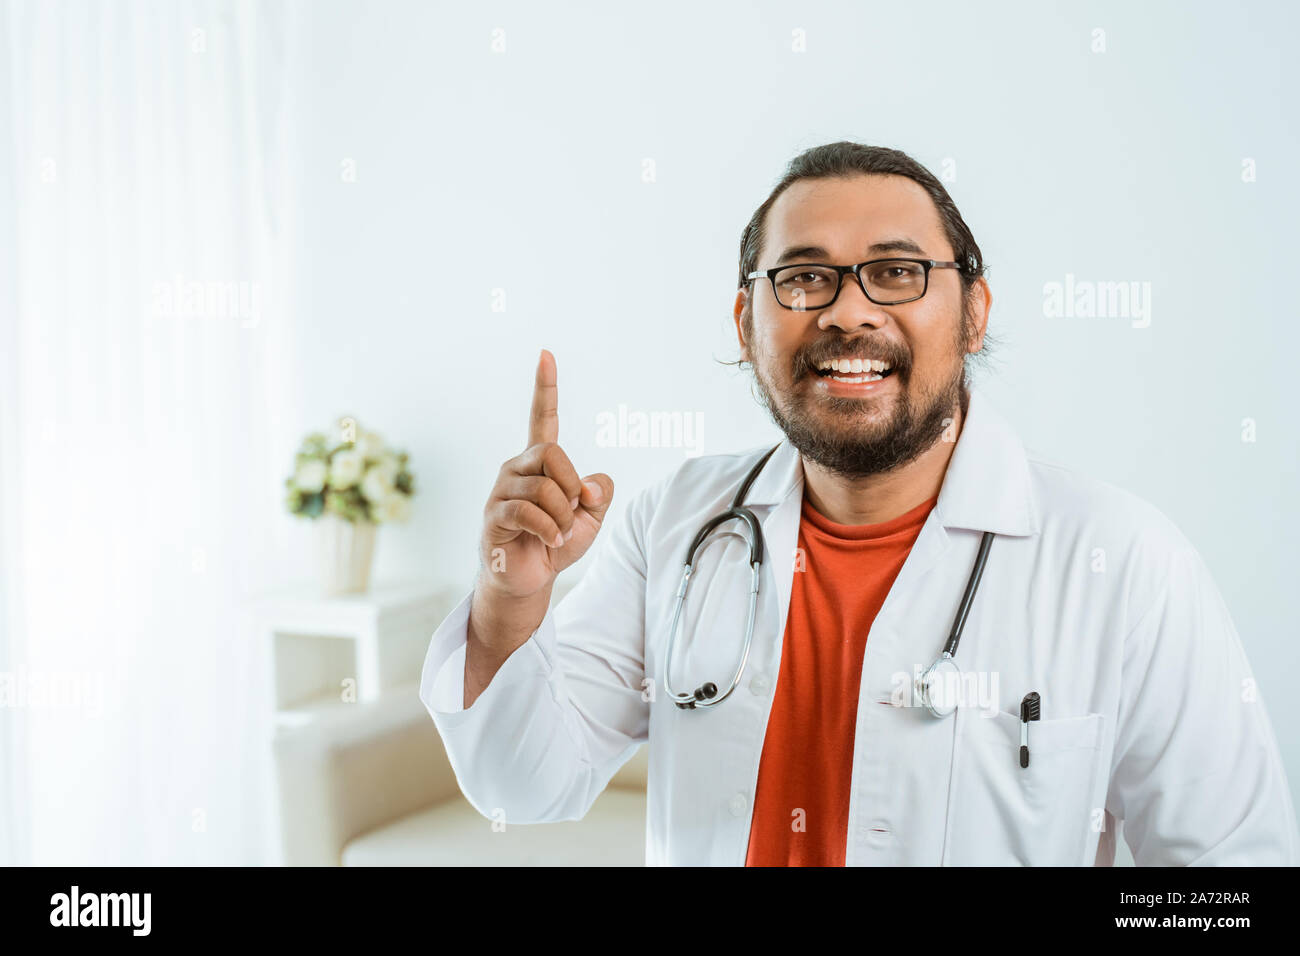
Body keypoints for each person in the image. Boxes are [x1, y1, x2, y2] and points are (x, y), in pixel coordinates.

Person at [418, 141, 1298, 866]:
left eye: (897, 273)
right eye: (803, 279)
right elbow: (523, 787)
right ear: (744, 323)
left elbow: (1230, 880)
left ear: (974, 312)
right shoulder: (672, 528)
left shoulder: (1126, 564)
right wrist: (511, 599)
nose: (848, 313)